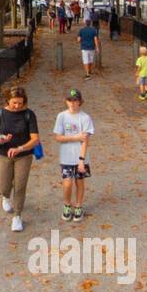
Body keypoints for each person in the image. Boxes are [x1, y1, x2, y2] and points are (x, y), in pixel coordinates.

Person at [0, 84, 40, 233]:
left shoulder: (29, 115)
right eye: (14, 102)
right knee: (4, 185)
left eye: (20, 102)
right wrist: (0, 141)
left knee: (20, 185)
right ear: (8, 101)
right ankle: (5, 197)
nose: (17, 105)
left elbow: (35, 139)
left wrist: (20, 148)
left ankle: (17, 216)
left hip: (23, 155)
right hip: (4, 155)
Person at [53, 88, 95, 222]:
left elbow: (85, 140)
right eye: (69, 100)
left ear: (80, 102)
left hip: (80, 158)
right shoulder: (62, 116)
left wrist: (81, 160)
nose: (72, 103)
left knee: (80, 182)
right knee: (67, 184)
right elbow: (58, 137)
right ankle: (66, 205)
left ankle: (78, 206)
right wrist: (76, 137)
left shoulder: (85, 118)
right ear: (66, 101)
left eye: (75, 100)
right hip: (66, 157)